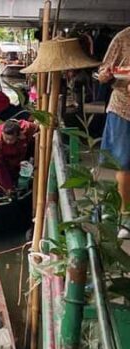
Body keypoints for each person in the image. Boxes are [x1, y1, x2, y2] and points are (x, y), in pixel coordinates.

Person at [97, 26, 130, 239]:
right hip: (123, 108)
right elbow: (102, 75)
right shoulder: (123, 38)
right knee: (124, 162)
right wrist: (107, 74)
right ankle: (125, 216)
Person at [0, 119, 39, 192]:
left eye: (11, 139)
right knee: (1, 165)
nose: (8, 141)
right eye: (6, 138)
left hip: (20, 149)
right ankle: (7, 189)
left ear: (18, 135)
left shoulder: (26, 127)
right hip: (1, 153)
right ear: (3, 133)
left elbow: (38, 128)